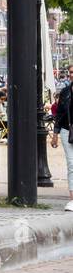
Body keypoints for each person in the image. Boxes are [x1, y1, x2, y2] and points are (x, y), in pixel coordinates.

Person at [50, 75, 73, 211]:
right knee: (71, 163)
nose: (71, 74)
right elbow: (59, 114)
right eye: (70, 72)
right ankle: (72, 199)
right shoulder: (65, 91)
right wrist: (55, 135)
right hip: (67, 130)